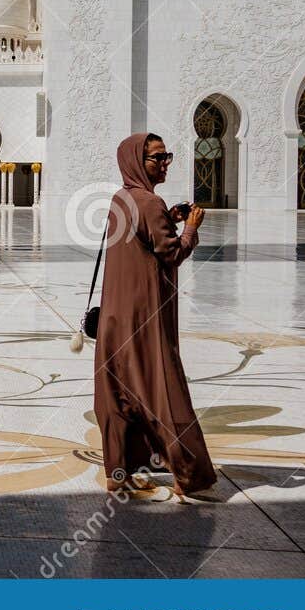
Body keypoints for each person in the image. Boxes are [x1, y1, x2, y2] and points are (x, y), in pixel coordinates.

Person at [94, 132, 215, 501]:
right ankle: (188, 474)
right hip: (145, 319)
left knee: (118, 396)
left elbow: (144, 240)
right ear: (136, 160)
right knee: (164, 391)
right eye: (156, 158)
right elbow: (171, 255)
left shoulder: (120, 199)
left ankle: (119, 473)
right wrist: (191, 227)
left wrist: (169, 219)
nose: (164, 164)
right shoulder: (150, 202)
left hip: (115, 318)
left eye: (167, 157)